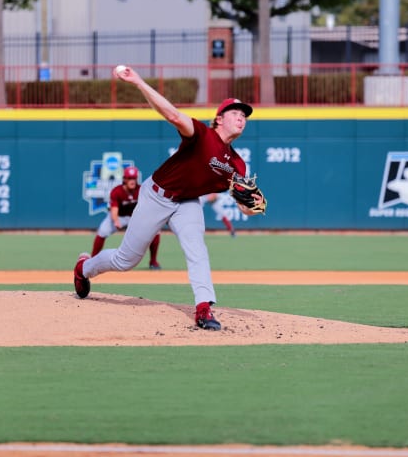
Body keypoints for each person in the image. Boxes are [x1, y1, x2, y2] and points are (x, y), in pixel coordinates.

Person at [73, 66, 265, 331]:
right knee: (125, 260)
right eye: (235, 113)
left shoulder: (238, 166)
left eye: (244, 115)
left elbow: (245, 207)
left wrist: (251, 209)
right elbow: (172, 115)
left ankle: (203, 308)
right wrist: (139, 81)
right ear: (219, 119)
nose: (241, 118)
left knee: (197, 248)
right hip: (157, 195)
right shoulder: (201, 135)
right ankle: (83, 269)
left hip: (187, 202)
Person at [91, 165, 162, 270]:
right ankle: (92, 260)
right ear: (124, 179)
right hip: (120, 217)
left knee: (156, 231)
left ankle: (153, 261)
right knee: (102, 231)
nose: (132, 181)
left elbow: (148, 207)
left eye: (134, 178)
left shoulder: (141, 190)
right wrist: (116, 221)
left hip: (136, 217)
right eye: (129, 178)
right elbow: (114, 209)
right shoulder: (117, 191)